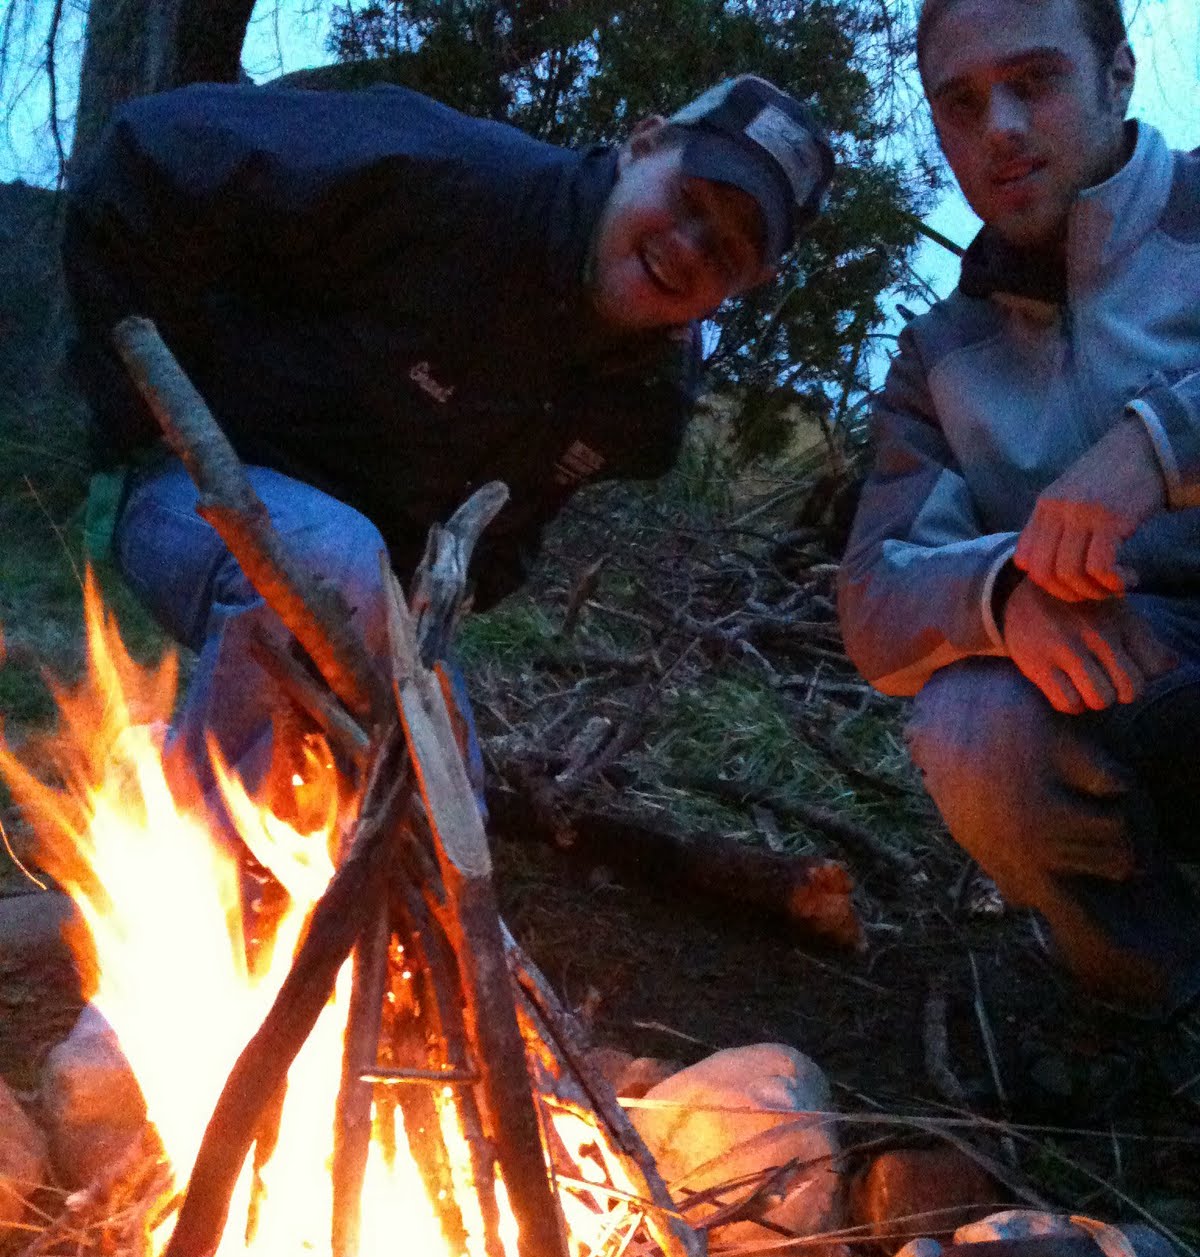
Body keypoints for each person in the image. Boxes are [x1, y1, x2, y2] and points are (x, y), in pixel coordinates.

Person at [63, 73, 832, 810]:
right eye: (689, 200)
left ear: (749, 284)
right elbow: (151, 149)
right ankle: (205, 900)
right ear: (643, 143)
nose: (691, 246)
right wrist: (139, 420)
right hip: (192, 496)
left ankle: (169, 764)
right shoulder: (450, 180)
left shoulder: (645, 408)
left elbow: (512, 532)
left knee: (444, 790)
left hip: (382, 597)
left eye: (728, 253)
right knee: (340, 571)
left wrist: (436, 620)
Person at [839, 0, 1200, 1032]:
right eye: (961, 102)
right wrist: (1006, 596)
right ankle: (1157, 1006)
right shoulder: (939, 358)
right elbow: (876, 591)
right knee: (973, 727)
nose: (997, 125)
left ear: (1118, 76)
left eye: (1033, 82)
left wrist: (1158, 444)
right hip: (1131, 677)